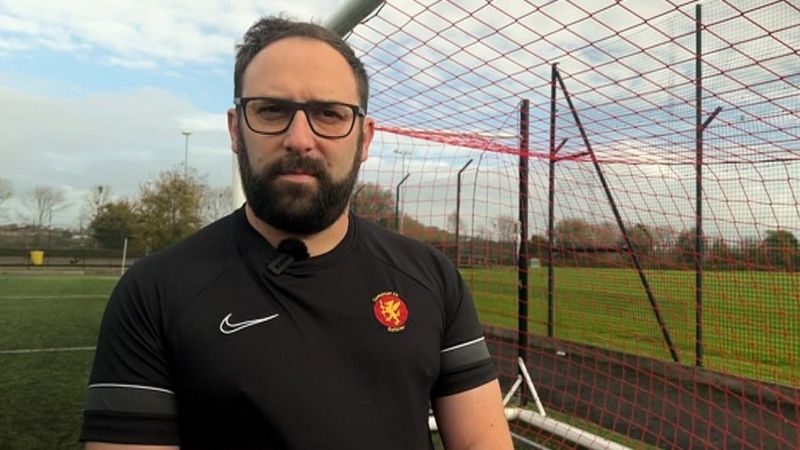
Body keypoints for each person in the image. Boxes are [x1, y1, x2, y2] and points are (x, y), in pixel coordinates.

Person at [81, 16, 513, 450]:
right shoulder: (153, 293)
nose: (300, 139)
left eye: (329, 113)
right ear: (236, 129)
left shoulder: (433, 279)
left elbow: (482, 442)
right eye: (272, 110)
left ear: (364, 138)